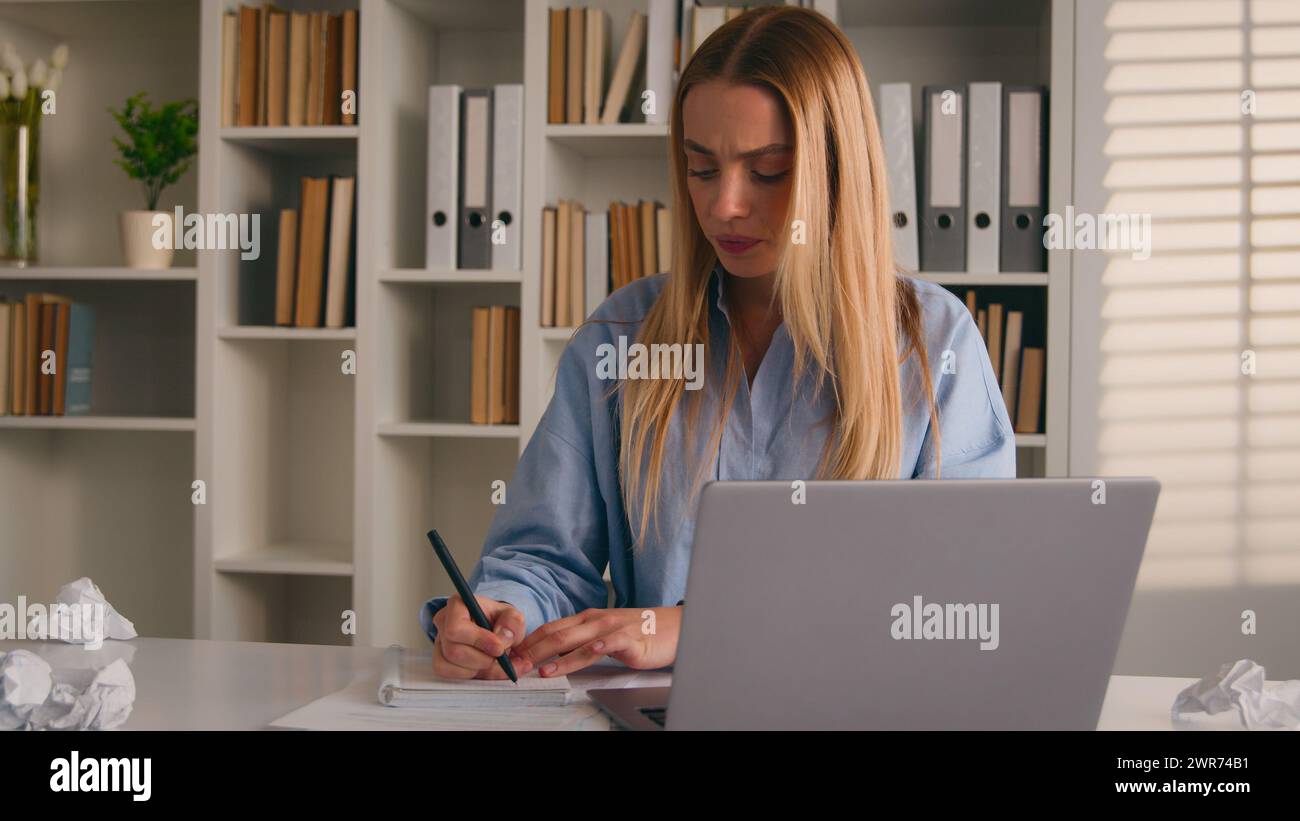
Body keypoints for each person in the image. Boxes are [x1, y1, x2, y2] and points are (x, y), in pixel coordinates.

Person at [423, 5, 1015, 680]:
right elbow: (547, 558)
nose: (725, 205)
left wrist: (702, 625)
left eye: (769, 171)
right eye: (702, 168)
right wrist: (503, 611)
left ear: (839, 171)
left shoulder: (933, 344)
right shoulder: (623, 336)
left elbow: (957, 601)